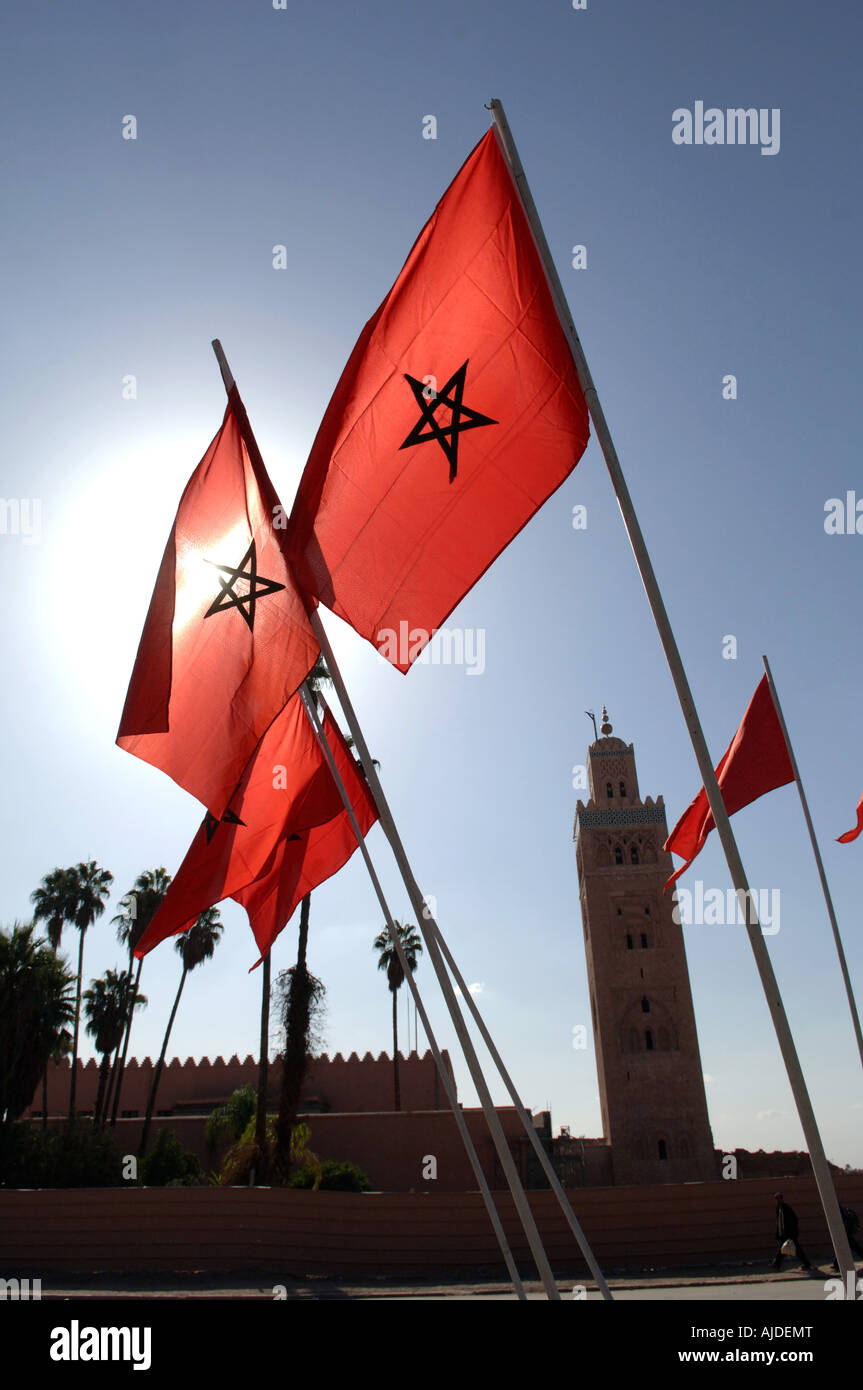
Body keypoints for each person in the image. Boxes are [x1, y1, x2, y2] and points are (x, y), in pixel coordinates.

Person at [772, 1192, 812, 1271]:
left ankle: (777, 1264)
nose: (777, 1201)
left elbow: (793, 1220)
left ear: (781, 1199)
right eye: (776, 1199)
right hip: (784, 1233)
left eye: (778, 1199)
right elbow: (779, 1222)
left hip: (790, 1233)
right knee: (784, 1249)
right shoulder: (778, 1208)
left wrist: (792, 1232)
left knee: (790, 1249)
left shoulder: (786, 1208)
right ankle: (777, 1264)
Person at [831, 1204, 863, 1271]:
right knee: (847, 1246)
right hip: (846, 1230)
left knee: (852, 1246)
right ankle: (836, 1264)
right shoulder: (839, 1207)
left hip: (845, 1231)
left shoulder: (836, 1208)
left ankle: (837, 1265)